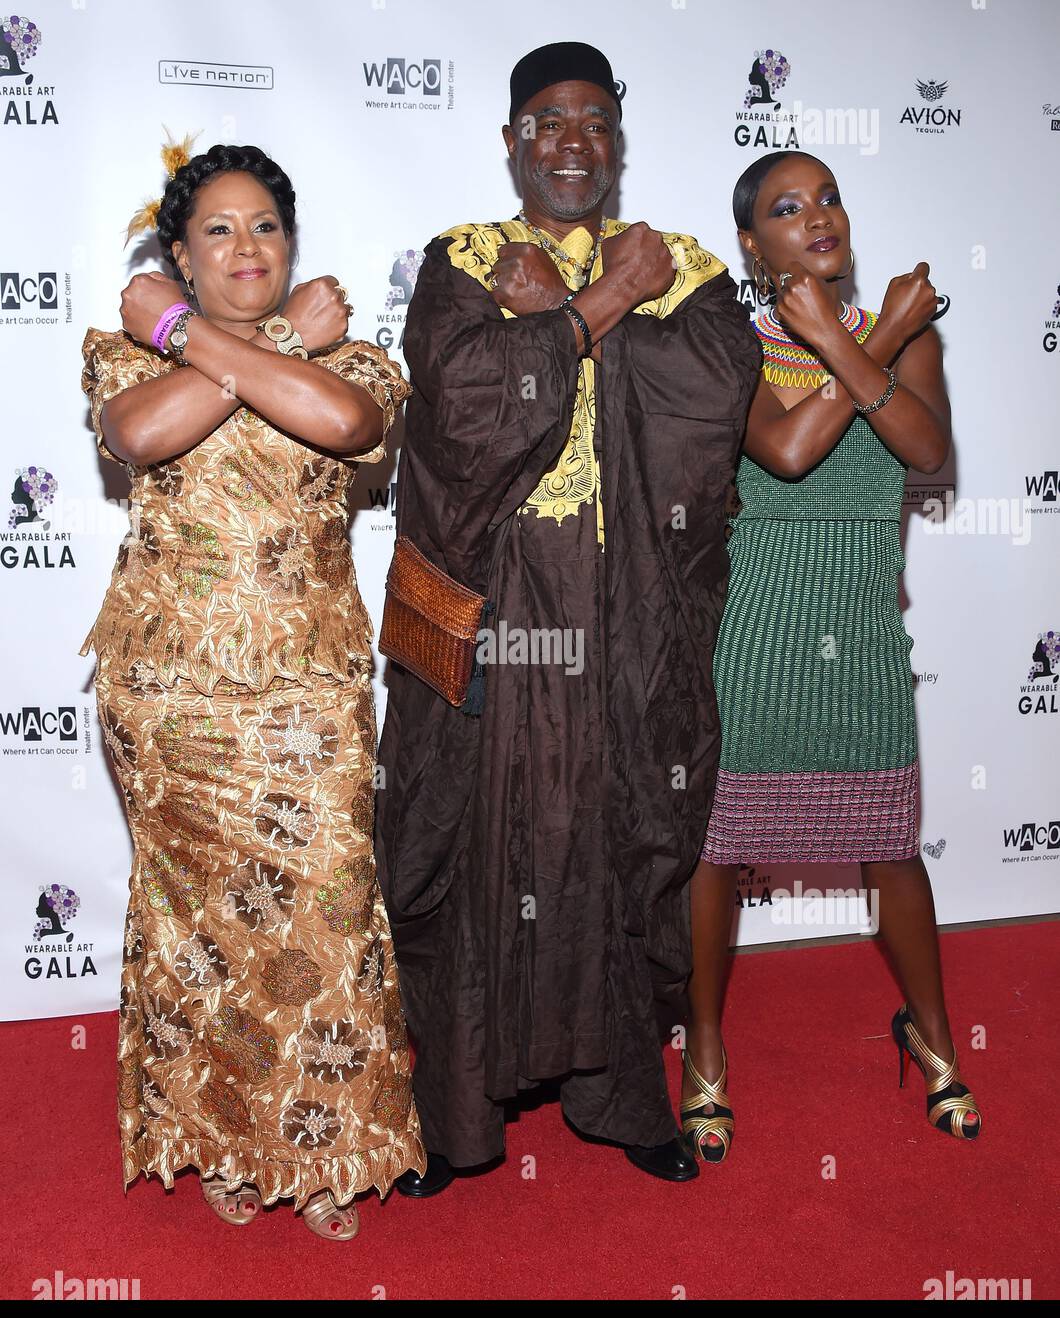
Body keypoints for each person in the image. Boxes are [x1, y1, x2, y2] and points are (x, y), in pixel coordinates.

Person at [375, 42, 760, 1194]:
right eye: (546, 121)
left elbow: (717, 388)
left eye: (594, 121)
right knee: (473, 840)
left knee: (615, 831)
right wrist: (601, 306)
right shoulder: (466, 260)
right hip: (494, 604)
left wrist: (584, 317)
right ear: (510, 144)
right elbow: (465, 401)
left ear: (618, 143)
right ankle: (452, 1120)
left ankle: (624, 1097)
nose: (572, 142)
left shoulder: (679, 264)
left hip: (620, 602)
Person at [82, 138, 423, 1238]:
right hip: (168, 691)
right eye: (218, 229)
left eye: (265, 226)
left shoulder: (355, 361)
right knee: (202, 930)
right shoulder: (125, 360)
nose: (245, 246)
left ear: (292, 246)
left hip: (308, 688)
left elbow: (344, 428)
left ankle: (326, 1151)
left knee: (325, 907)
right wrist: (230, 343)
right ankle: (221, 1138)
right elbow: (140, 434)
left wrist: (231, 341)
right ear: (180, 254)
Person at [683, 151, 981, 1164]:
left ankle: (933, 1033)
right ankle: (706, 1052)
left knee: (889, 844)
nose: (816, 216)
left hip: (859, 634)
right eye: (784, 206)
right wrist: (883, 331)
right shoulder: (728, 343)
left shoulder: (912, 338)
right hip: (754, 633)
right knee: (716, 852)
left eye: (827, 197)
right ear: (750, 244)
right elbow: (787, 452)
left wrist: (880, 338)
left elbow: (924, 449)